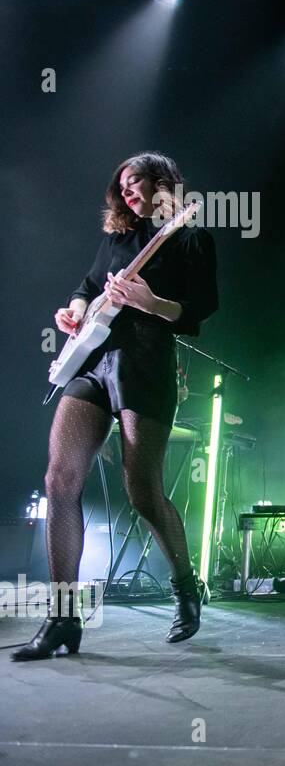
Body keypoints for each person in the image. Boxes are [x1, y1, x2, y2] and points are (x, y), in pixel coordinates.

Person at [14, 152, 218, 661]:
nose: (126, 192)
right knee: (59, 481)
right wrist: (75, 312)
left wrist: (149, 303)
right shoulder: (117, 238)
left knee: (141, 490)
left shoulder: (189, 236)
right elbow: (86, 288)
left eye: (135, 183)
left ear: (163, 183)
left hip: (145, 364)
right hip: (93, 363)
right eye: (121, 186)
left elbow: (198, 310)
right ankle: (62, 618)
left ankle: (186, 588)